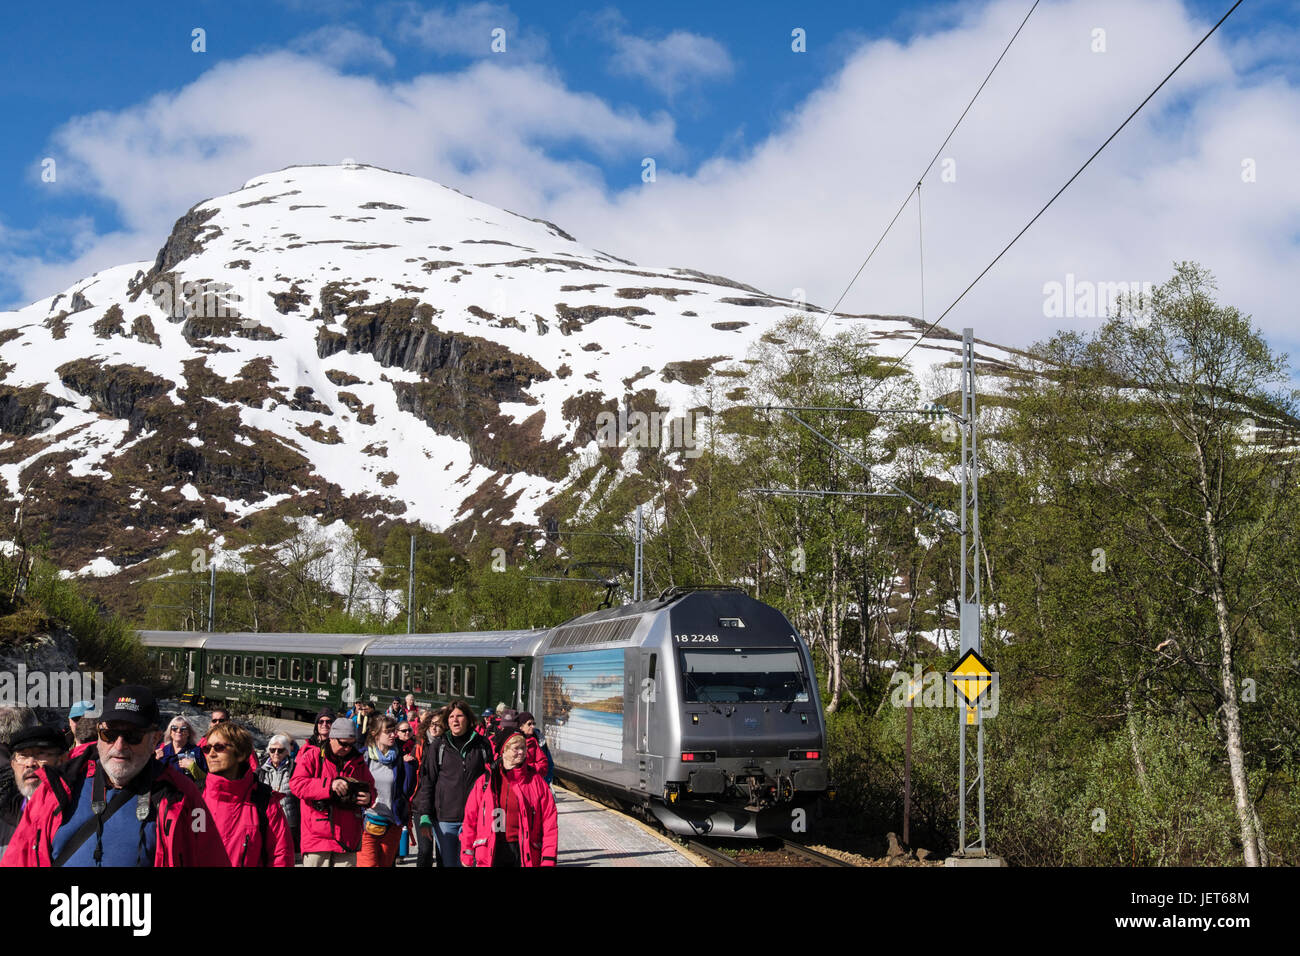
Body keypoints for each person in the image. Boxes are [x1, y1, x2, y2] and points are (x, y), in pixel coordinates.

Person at [0, 685, 229, 867]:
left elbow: (209, 857)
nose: (119, 746)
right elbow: (19, 859)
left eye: (132, 736)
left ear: (155, 739)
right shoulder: (58, 785)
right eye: (108, 734)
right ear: (98, 733)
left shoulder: (181, 796)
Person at [459, 726, 558, 867]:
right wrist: (467, 851)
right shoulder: (486, 780)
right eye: (516, 748)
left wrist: (549, 857)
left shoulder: (536, 781)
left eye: (524, 748)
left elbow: (550, 822)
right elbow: (470, 817)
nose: (522, 752)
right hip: (490, 852)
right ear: (503, 751)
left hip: (523, 852)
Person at [202, 722, 293, 867]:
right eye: (207, 749)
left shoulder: (264, 801)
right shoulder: (197, 797)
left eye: (219, 747)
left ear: (241, 754)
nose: (211, 754)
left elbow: (280, 856)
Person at [414, 699, 492, 868]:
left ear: (468, 719)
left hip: (475, 819)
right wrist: (425, 814)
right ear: (447, 721)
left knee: (471, 863)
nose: (455, 720)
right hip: (445, 819)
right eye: (451, 717)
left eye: (460, 716)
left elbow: (491, 780)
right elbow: (428, 782)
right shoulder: (438, 746)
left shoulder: (482, 745)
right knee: (449, 863)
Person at [290, 717, 375, 867]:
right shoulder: (313, 756)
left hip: (348, 838)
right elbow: (297, 784)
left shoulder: (358, 761)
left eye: (351, 744)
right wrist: (329, 785)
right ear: (332, 738)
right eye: (343, 744)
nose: (348, 748)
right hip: (318, 838)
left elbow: (371, 788)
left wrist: (369, 798)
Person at [1, 725, 69, 858]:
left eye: (40, 754)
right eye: (23, 756)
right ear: (13, 765)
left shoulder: (73, 810)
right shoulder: (5, 814)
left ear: (61, 760)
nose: (30, 763)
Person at [358, 717, 417, 867]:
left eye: (393, 731)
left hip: (392, 824)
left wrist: (409, 766)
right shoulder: (364, 757)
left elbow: (407, 791)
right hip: (367, 822)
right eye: (388, 732)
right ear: (375, 734)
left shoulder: (399, 756)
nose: (393, 735)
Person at [412, 709, 445, 868]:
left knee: (442, 852)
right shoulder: (420, 744)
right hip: (421, 802)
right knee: (424, 849)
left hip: (442, 806)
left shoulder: (448, 747)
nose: (434, 728)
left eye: (439, 725)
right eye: (432, 724)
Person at [257, 734, 300, 855]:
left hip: (290, 824)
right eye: (272, 750)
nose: (276, 753)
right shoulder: (260, 771)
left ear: (287, 751)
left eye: (280, 750)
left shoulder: (295, 769)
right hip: (266, 824)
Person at [157, 716, 207, 785]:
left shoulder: (196, 751)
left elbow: (206, 779)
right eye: (174, 728)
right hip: (163, 794)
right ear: (170, 732)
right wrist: (155, 760)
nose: (178, 731)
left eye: (183, 729)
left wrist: (193, 767)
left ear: (189, 733)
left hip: (187, 794)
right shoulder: (161, 750)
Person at [516, 712, 553, 784]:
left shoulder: (536, 740)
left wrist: (530, 768)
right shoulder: (514, 741)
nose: (533, 726)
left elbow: (545, 762)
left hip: (535, 781)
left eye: (533, 724)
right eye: (529, 724)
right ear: (521, 726)